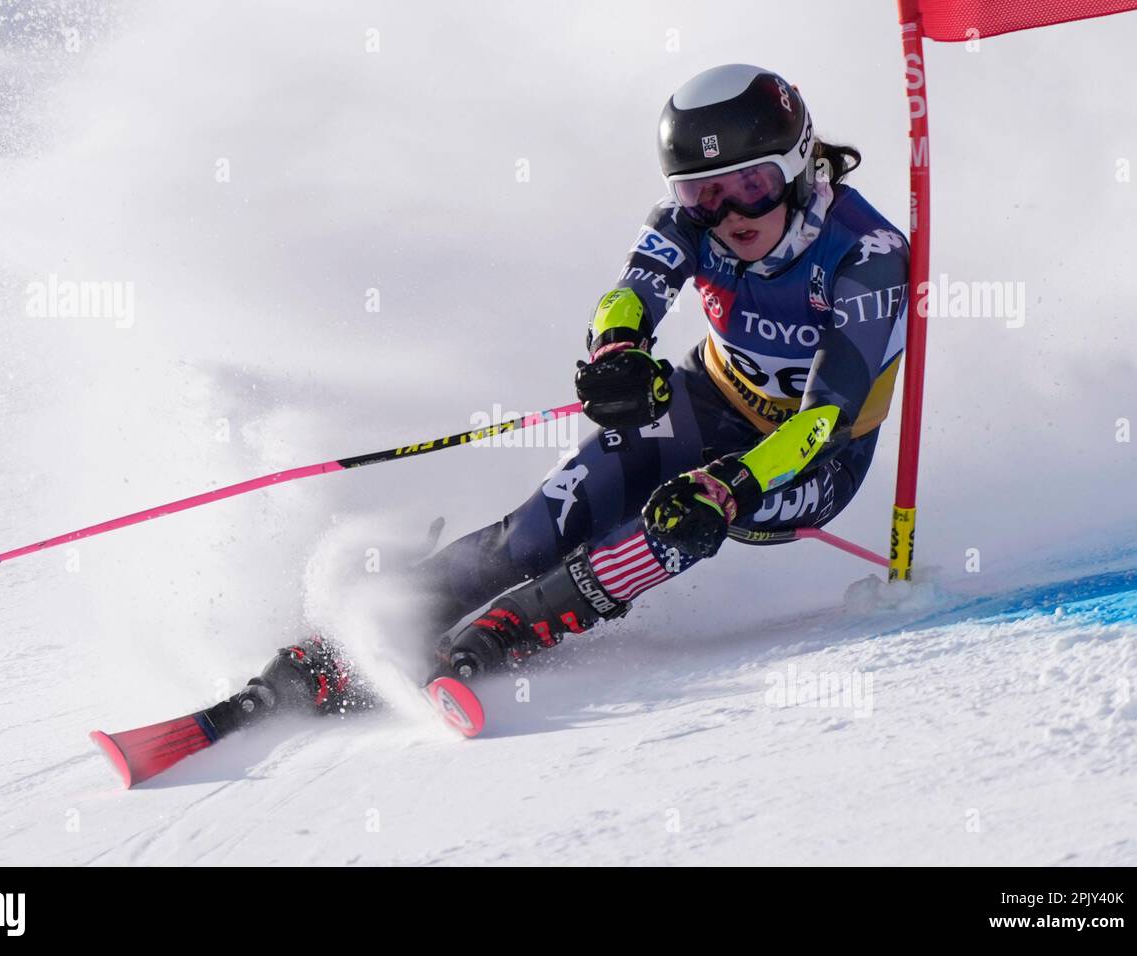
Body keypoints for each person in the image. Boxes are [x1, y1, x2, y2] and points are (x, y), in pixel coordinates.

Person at [224, 63, 910, 721]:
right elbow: (630, 295)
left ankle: (512, 629)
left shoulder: (865, 255)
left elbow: (826, 417)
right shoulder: (687, 228)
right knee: (543, 522)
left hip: (813, 460)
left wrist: (733, 484)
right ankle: (382, 627)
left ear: (799, 166)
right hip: (710, 400)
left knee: (684, 518)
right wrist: (618, 352)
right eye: (704, 193)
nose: (729, 213)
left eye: (752, 185)